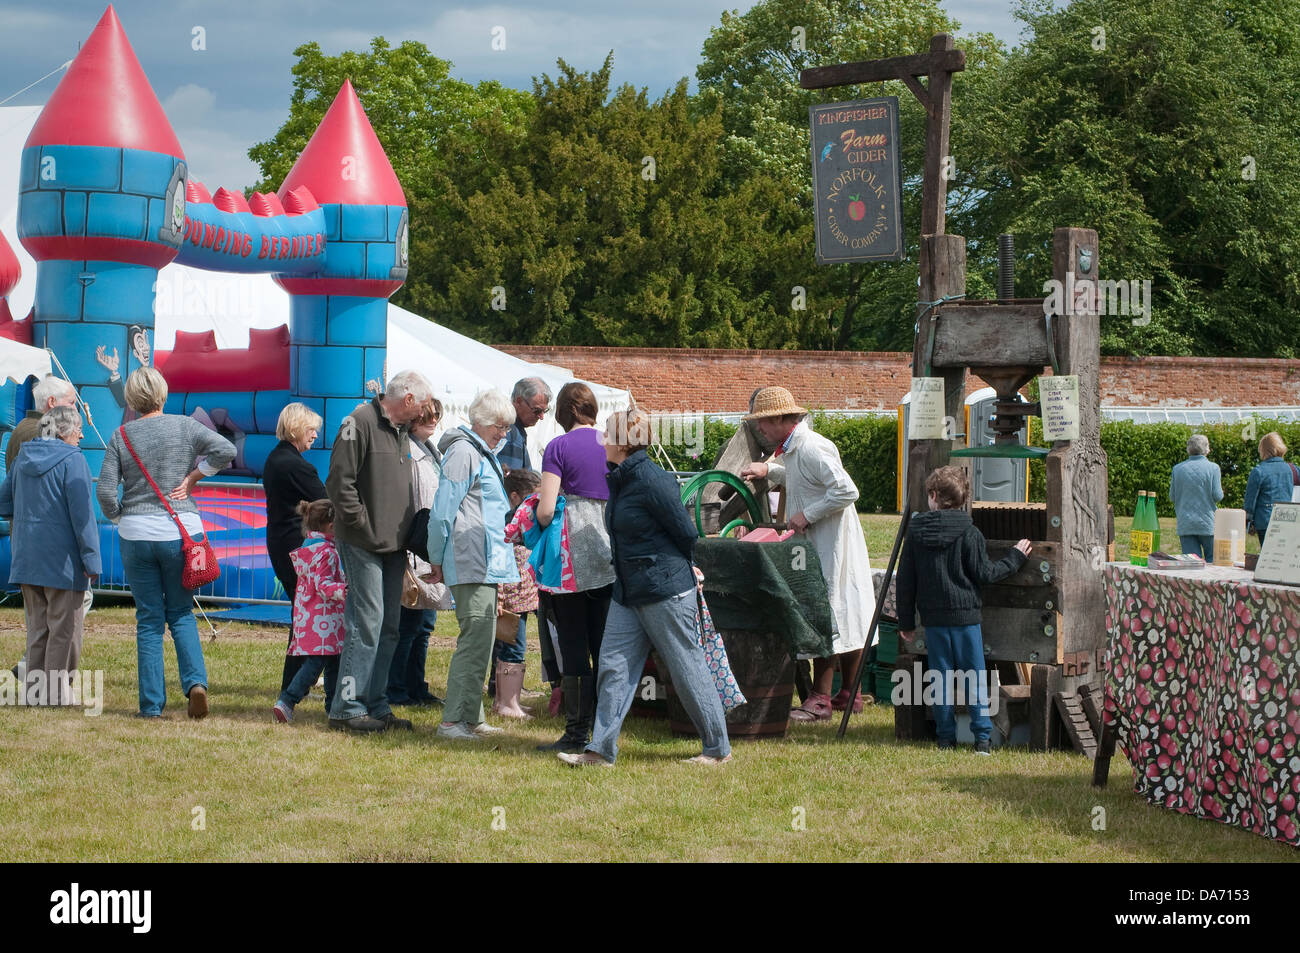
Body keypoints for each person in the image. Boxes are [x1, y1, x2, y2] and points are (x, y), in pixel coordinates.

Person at [559, 410, 732, 767]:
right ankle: (601, 751)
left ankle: (717, 750)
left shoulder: (651, 479)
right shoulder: (620, 477)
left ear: (623, 443)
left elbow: (686, 533)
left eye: (606, 434)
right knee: (613, 666)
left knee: (686, 666)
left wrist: (680, 567)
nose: (601, 440)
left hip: (664, 589)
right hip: (629, 590)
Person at [97, 367, 235, 719]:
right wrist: (193, 478)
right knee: (181, 613)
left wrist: (119, 516)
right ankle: (195, 685)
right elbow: (226, 448)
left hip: (137, 532)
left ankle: (151, 706)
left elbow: (104, 489)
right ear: (164, 393)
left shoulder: (121, 435)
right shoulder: (185, 426)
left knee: (148, 619)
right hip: (182, 530)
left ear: (130, 399)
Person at [738, 386, 874, 719]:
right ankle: (849, 695)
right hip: (829, 539)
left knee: (825, 610)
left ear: (783, 419)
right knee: (846, 609)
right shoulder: (800, 448)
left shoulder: (810, 447)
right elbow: (804, 478)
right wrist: (770, 471)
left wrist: (807, 514)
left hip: (830, 539)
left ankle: (820, 699)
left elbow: (846, 490)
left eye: (765, 423)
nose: (761, 429)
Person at [896, 466, 1031, 753]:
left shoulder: (916, 533)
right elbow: (985, 574)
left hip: (933, 621)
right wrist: (1015, 558)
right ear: (963, 499)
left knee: (940, 679)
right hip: (966, 618)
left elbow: (906, 580)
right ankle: (982, 738)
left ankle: (945, 738)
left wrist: (906, 621)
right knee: (974, 679)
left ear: (933, 496)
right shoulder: (970, 533)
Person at [326, 370, 432, 733]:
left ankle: (376, 703)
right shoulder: (358, 422)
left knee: (388, 627)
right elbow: (340, 481)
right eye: (422, 404)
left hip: (393, 547)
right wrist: (363, 526)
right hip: (363, 543)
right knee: (366, 624)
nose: (425, 411)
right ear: (407, 400)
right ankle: (346, 706)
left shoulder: (402, 432)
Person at [428, 390, 520, 741]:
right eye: (500, 426)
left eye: (507, 427)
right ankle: (452, 721)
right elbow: (442, 511)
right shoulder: (464, 453)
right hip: (471, 560)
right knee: (474, 641)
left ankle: (472, 715)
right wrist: (435, 558)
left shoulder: (479, 452)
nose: (503, 434)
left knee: (482, 641)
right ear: (481, 421)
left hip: (485, 561)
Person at [533, 382, 616, 753]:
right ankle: (603, 731)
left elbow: (547, 508)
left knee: (573, 642)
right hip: (609, 550)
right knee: (603, 643)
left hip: (570, 558)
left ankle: (575, 732)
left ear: (563, 412)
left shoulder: (558, 447)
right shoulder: (611, 443)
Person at [0, 406, 100, 705]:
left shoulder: (21, 458)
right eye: (78, 428)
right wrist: (92, 560)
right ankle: (56, 695)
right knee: (64, 629)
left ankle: (34, 693)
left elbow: (4, 503)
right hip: (63, 561)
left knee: (38, 628)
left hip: (27, 556)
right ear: (63, 431)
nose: (82, 434)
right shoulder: (74, 461)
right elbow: (83, 517)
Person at [263, 402, 327, 693]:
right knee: (305, 616)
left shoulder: (275, 458)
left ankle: (299, 679)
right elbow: (325, 502)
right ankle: (295, 682)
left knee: (301, 613)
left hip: (280, 543)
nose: (315, 435)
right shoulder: (297, 465)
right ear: (297, 428)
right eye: (311, 429)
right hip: (295, 547)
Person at [387, 397, 444, 707]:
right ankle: (397, 688)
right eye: (426, 417)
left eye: (436, 416)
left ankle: (415, 684)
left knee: (424, 624)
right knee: (410, 622)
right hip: (415, 540)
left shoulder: (432, 453)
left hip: (427, 538)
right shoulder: (408, 451)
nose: (433, 422)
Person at [274, 500, 346, 723]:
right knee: (316, 665)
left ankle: (334, 706)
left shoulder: (308, 548)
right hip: (325, 619)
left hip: (309, 615)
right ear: (332, 526)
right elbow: (323, 585)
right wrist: (346, 589)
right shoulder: (328, 553)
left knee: (332, 661)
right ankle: (287, 699)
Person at [496, 468, 542, 719]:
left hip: (523, 597)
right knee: (512, 648)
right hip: (511, 599)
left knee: (512, 648)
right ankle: (507, 704)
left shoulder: (521, 520)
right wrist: (500, 597)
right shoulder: (509, 523)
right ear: (515, 497)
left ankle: (505, 701)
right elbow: (501, 562)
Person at [6, 374, 77, 472]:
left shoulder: (26, 424)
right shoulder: (42, 433)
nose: (74, 409)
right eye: (71, 402)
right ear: (52, 402)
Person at [1169, 434, 1222, 560]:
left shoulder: (1177, 469)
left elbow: (1172, 496)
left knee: (1191, 566)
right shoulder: (1213, 468)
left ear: (1188, 449)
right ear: (1207, 449)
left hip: (1185, 523)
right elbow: (1217, 496)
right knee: (1213, 564)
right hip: (1208, 524)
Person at [1244, 431, 1295, 546]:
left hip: (1265, 520)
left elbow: (1250, 501)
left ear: (1263, 450)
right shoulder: (1290, 469)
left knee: (1268, 556)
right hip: (1286, 519)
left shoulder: (1258, 471)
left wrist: (1248, 521)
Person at [498, 377, 552, 473]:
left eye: (545, 411)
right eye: (537, 410)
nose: (541, 417)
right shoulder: (511, 434)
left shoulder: (512, 430)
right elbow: (513, 481)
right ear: (519, 401)